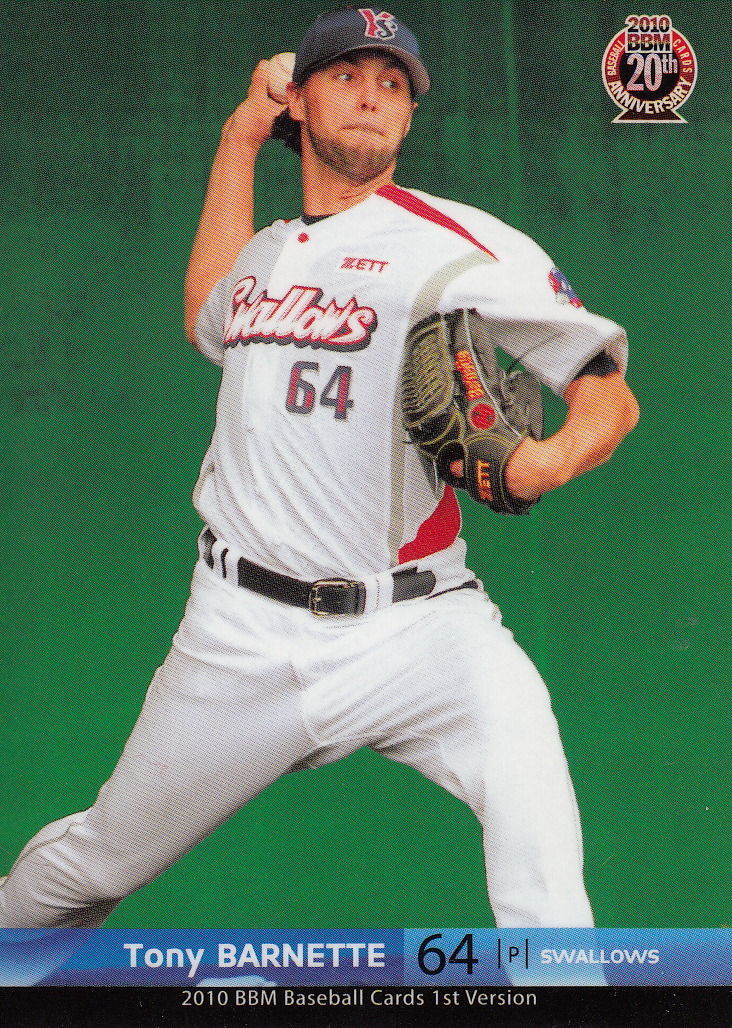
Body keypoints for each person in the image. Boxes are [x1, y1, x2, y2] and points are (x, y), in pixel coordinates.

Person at [0, 7, 638, 933]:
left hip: (415, 627)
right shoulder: (263, 254)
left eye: (393, 84)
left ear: (410, 118)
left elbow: (609, 396)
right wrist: (236, 137)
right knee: (95, 861)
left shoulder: (462, 244)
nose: (372, 96)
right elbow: (206, 314)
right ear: (299, 101)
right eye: (346, 76)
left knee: (527, 766)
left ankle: (566, 996)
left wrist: (545, 460)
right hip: (237, 631)